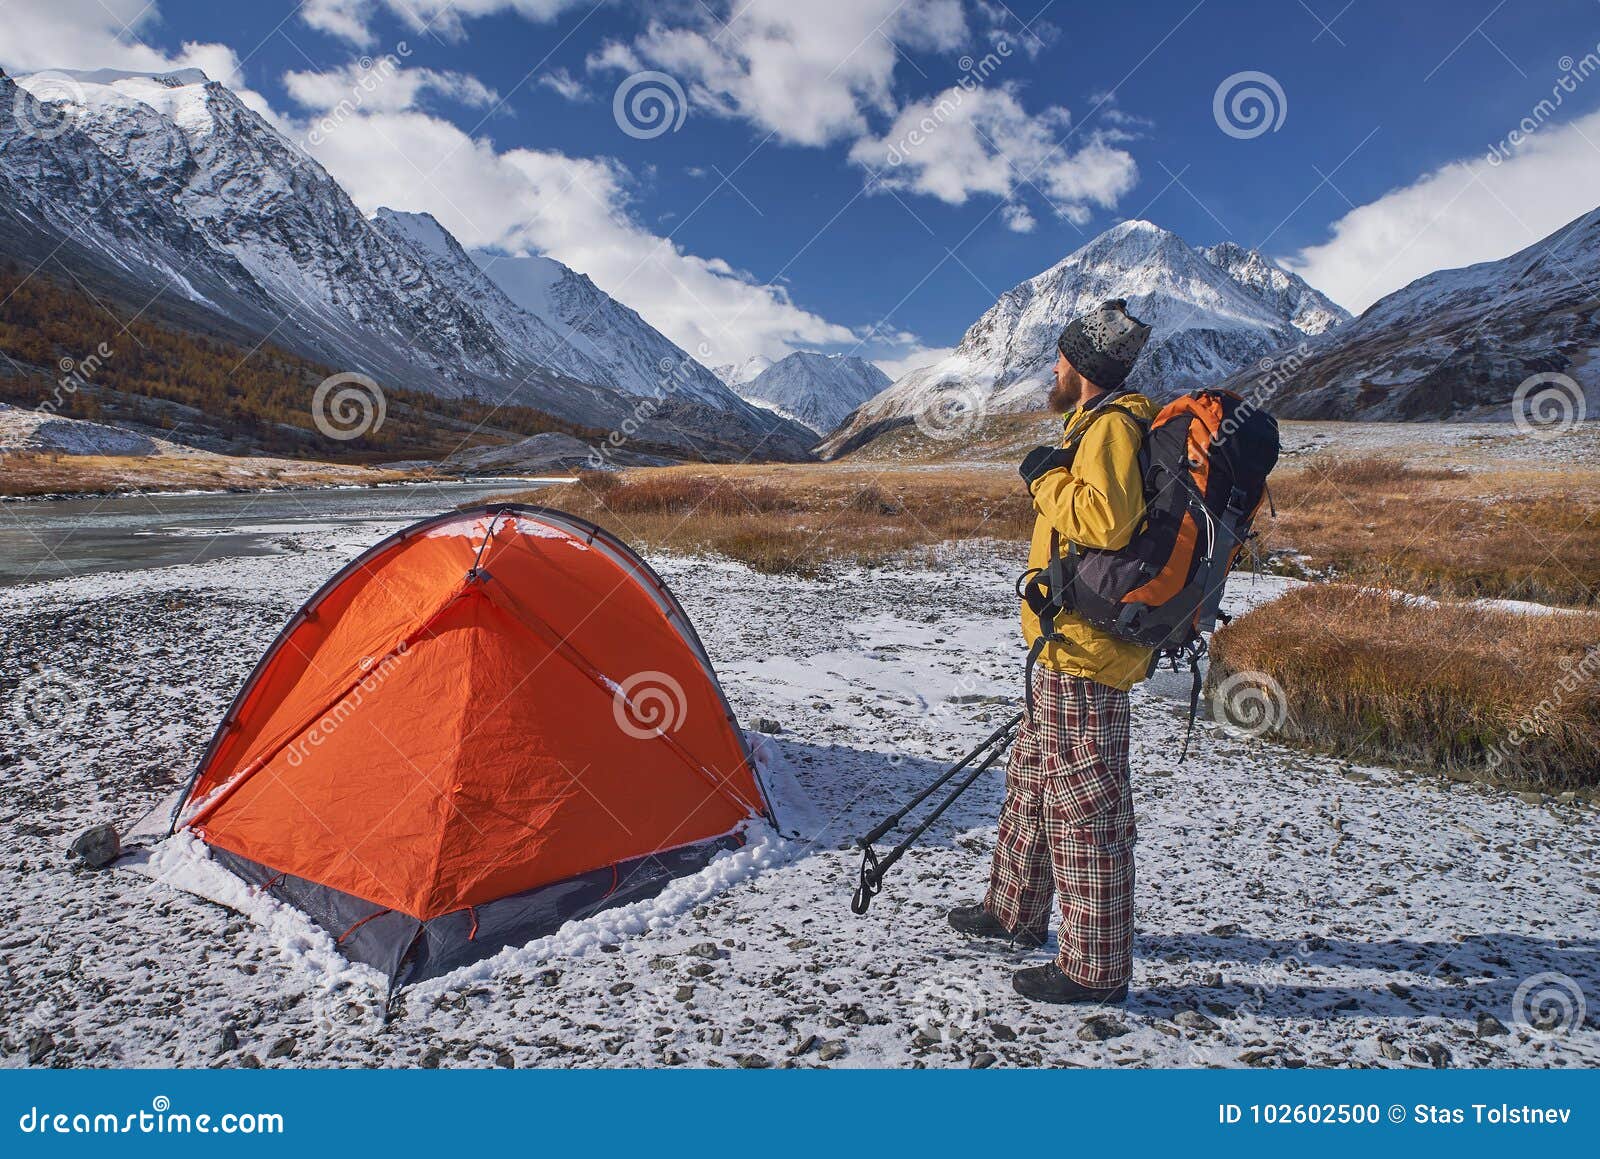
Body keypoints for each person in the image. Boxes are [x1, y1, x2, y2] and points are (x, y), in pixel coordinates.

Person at [948, 299, 1156, 1005]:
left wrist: (1044, 478)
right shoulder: (1094, 424)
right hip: (1063, 644)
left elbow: (1107, 518)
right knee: (1036, 779)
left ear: (1083, 370)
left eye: (1061, 361)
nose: (1053, 370)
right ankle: (1013, 912)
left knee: (1085, 805)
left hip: (1090, 652)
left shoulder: (1112, 428)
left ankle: (1095, 969)